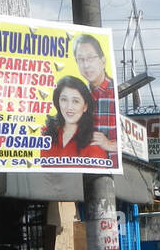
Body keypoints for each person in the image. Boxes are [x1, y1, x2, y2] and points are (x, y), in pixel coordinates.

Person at [38, 76, 113, 164]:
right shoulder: (47, 134)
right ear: (58, 102)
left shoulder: (94, 144)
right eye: (64, 99)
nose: (69, 107)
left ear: (85, 106)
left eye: (75, 101)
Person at [73, 34, 119, 164]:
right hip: (85, 169)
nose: (86, 65)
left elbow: (137, 144)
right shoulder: (78, 97)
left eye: (90, 58)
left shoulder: (117, 93)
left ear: (103, 60)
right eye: (80, 59)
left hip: (112, 171)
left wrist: (111, 144)